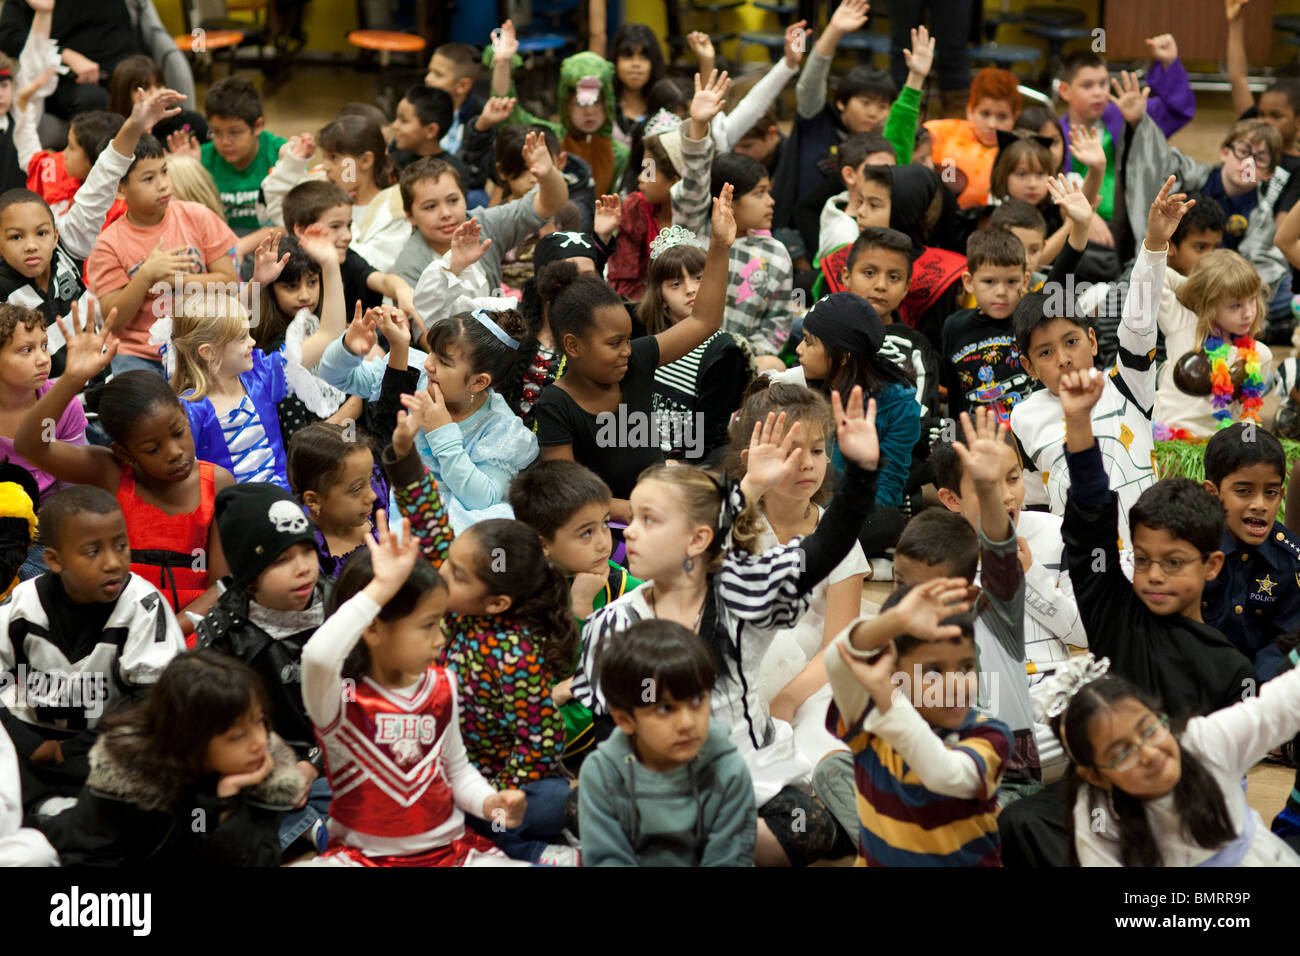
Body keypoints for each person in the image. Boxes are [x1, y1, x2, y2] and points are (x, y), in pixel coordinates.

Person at [576, 389, 883, 866]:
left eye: (648, 520)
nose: (628, 533)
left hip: (752, 778)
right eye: (631, 518)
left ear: (697, 539)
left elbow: (823, 549)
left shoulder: (739, 594)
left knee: (806, 825)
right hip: (658, 787)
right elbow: (606, 737)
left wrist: (862, 474)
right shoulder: (608, 623)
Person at [381, 399, 578, 864]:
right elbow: (430, 522)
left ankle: (530, 848)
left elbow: (539, 738)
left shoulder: (515, 651)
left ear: (497, 603)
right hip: (442, 771)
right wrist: (406, 454)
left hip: (501, 783)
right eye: (447, 565)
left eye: (457, 574)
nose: (441, 573)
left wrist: (500, 795)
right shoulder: (453, 607)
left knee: (543, 804)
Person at [301, 511, 527, 867]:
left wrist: (490, 804)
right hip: (361, 859)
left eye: (441, 623)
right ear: (373, 629)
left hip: (451, 853)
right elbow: (316, 656)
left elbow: (457, 772)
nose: (441, 638)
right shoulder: (339, 695)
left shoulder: (442, 684)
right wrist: (382, 588)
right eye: (426, 626)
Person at [13, 308, 233, 631]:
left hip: (192, 636)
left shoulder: (218, 482)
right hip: (116, 636)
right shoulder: (111, 473)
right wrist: (72, 380)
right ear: (124, 454)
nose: (175, 453)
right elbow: (31, 444)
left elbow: (222, 586)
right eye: (152, 449)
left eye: (178, 432)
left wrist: (163, 631)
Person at [534, 187, 735, 523]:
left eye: (628, 339)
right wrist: (636, 512)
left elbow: (704, 320)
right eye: (614, 343)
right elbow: (567, 491)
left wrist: (719, 246)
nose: (627, 350)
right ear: (573, 346)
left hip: (656, 500)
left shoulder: (636, 360)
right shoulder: (555, 404)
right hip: (605, 520)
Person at [1012, 175, 1187, 549]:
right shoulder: (1022, 418)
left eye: (1072, 341)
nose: (1063, 359)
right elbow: (1033, 504)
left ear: (1092, 341)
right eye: (1045, 353)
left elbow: (1138, 324)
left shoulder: (1127, 384)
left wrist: (1155, 245)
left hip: (1150, 554)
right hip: (1081, 572)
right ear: (1029, 367)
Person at [0, 485, 185, 811]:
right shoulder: (22, 605)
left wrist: (67, 752)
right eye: (92, 551)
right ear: (54, 560)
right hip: (26, 743)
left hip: (108, 743)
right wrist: (32, 746)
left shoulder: (143, 606)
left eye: (121, 545)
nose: (113, 562)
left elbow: (154, 702)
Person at [35, 650, 307, 866]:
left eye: (260, 721)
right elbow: (87, 856)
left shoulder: (262, 771)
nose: (260, 742)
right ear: (189, 738)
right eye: (237, 736)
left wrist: (226, 804)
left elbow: (257, 860)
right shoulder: (128, 770)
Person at [1044, 655, 1300, 866]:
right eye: (1122, 753)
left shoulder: (1203, 744)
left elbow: (1279, 705)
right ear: (1094, 775)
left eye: (1150, 730)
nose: (1150, 754)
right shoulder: (1097, 811)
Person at [826, 579, 1010, 865]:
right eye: (933, 671)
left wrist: (891, 705)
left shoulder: (990, 735)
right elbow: (837, 659)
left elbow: (944, 775)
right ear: (894, 673)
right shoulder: (872, 722)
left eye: (966, 667)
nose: (955, 684)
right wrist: (894, 621)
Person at [195, 482, 333, 854]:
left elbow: (364, 697)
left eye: (307, 550)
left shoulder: (340, 605)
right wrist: (281, 766)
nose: (303, 568)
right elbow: (221, 724)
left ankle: (315, 826)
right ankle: (310, 830)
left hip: (338, 747)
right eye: (281, 560)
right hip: (262, 756)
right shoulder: (227, 635)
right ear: (250, 577)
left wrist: (312, 766)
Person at [579, 619, 756, 866]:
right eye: (664, 708)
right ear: (625, 719)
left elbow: (730, 859)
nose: (686, 723)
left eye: (697, 701)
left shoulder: (729, 771)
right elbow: (607, 860)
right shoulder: (601, 775)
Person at [507, 459, 641, 767]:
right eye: (585, 533)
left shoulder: (621, 583)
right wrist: (580, 611)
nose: (603, 543)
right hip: (557, 736)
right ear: (543, 545)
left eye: (605, 525)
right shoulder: (520, 597)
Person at [86, 134, 238, 375]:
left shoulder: (197, 216)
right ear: (120, 189)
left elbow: (230, 283)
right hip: (140, 355)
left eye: (164, 171)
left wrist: (177, 281)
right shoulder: (108, 244)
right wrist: (145, 276)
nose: (163, 184)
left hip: (202, 344)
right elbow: (113, 322)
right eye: (149, 178)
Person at [1200, 423, 1300, 679]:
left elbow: (1286, 641)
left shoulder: (1289, 559)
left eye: (1271, 493)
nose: (1260, 505)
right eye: (1244, 491)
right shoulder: (1192, 552)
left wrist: (1252, 689)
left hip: (1262, 694)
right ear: (1212, 494)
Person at [1153, 248, 1271, 437]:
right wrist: (1200, 293)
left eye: (1252, 300)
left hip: (1218, 451)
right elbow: (1155, 277)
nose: (1248, 313)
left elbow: (1243, 417)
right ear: (1209, 304)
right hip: (1170, 446)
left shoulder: (1259, 355)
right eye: (1235, 305)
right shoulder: (1182, 326)